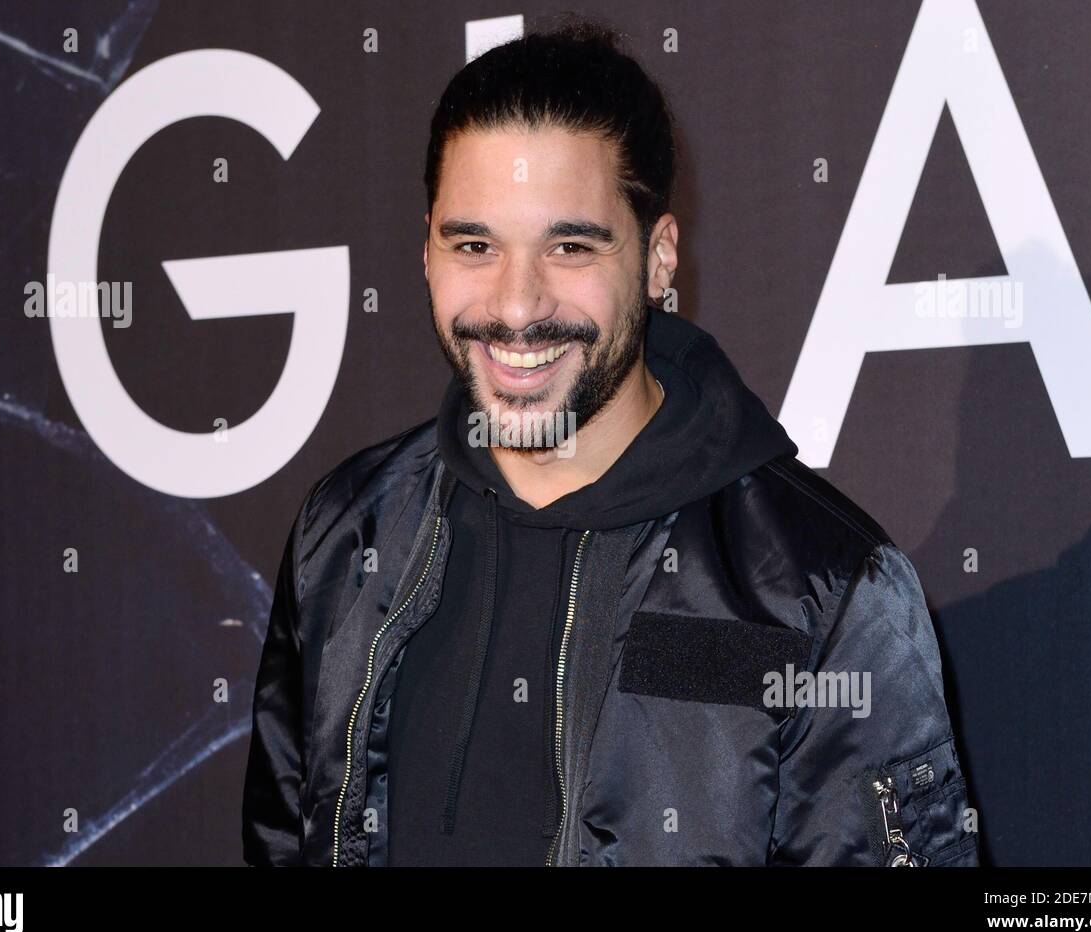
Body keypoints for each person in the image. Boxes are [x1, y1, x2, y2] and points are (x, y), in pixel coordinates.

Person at [242, 16, 978, 867]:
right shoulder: (346, 536)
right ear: (426, 254)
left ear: (660, 259)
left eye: (570, 245)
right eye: (474, 245)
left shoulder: (820, 587)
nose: (516, 306)